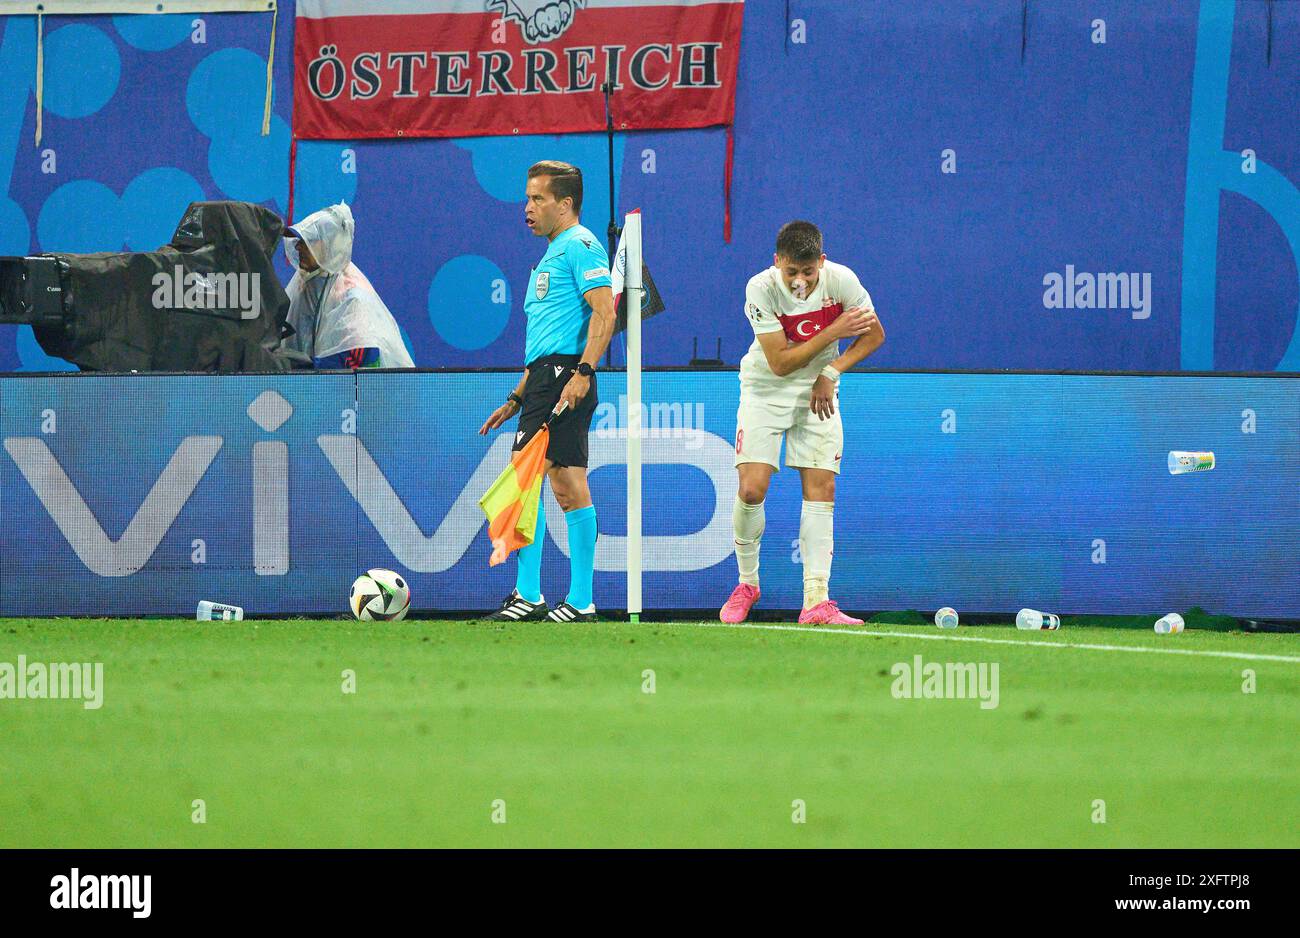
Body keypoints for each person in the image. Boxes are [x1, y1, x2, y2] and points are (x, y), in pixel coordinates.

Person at [720, 221, 885, 625]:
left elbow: (874, 335)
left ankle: (816, 600)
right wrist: (833, 331)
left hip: (819, 390)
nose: (799, 281)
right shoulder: (759, 288)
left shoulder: (843, 281)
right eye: (791, 271)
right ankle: (747, 584)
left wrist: (832, 372)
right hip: (765, 390)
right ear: (777, 262)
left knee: (822, 487)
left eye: (807, 273)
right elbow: (779, 363)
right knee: (752, 487)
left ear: (821, 264)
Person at [478, 161, 616, 623]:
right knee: (555, 481)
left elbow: (605, 313)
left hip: (565, 376)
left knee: (543, 481)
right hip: (545, 377)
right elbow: (544, 339)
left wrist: (583, 372)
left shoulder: (582, 245)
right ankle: (563, 599)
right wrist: (517, 397)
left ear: (566, 203)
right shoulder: (554, 252)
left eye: (538, 199)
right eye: (527, 197)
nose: (528, 208)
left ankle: (545, 596)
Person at [282, 202, 414, 369]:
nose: (298, 246)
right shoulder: (303, 282)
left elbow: (366, 359)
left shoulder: (352, 294)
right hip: (307, 390)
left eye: (310, 241)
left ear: (330, 245)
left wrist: (310, 366)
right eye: (300, 240)